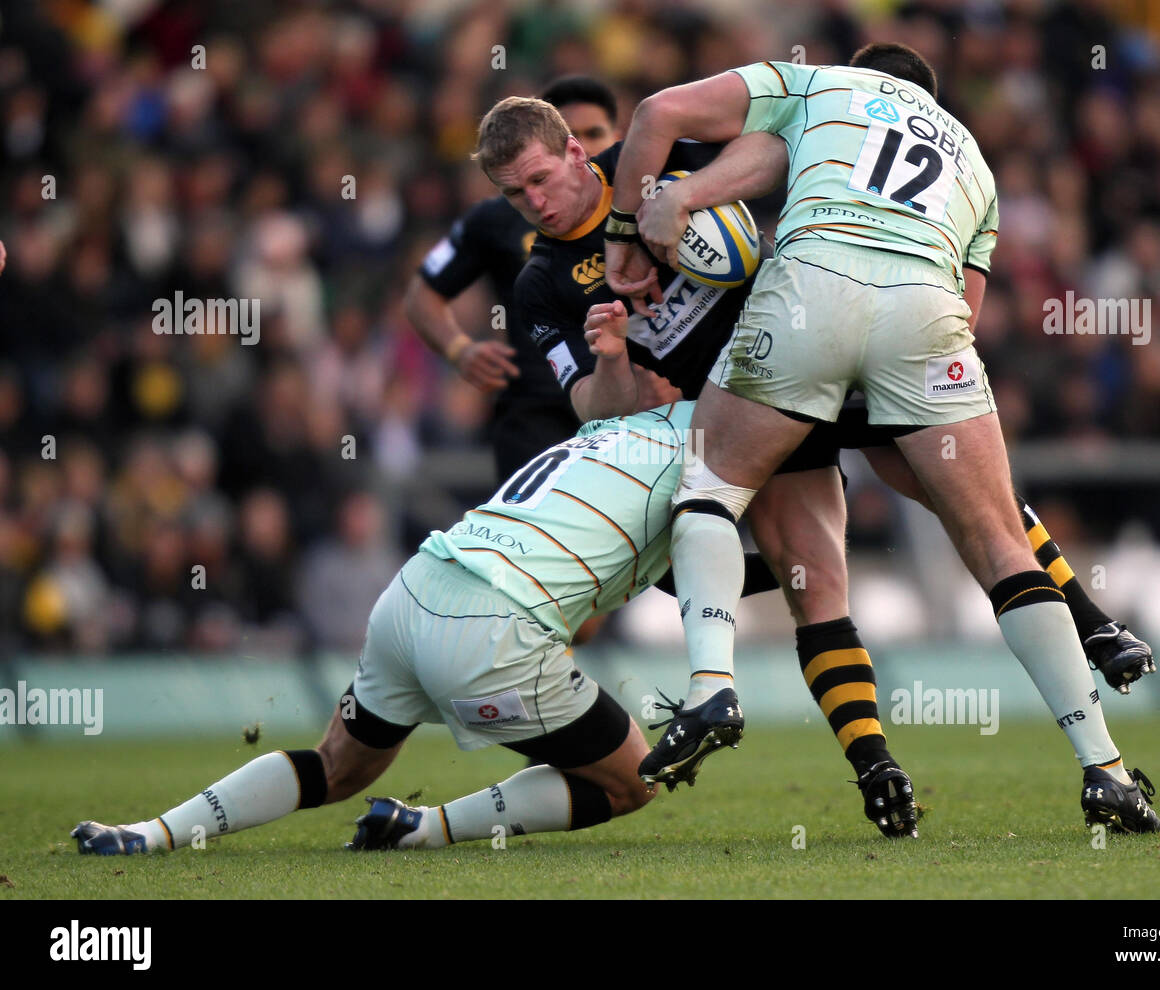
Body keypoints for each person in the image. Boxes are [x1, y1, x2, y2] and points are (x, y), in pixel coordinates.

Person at [604, 44, 1160, 833]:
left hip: (811, 288)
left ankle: (710, 688)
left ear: (867, 72)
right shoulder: (976, 163)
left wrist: (636, 221)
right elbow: (967, 310)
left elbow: (659, 112)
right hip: (926, 312)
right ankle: (1104, 769)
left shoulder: (821, 85)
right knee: (997, 537)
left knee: (712, 486)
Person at [476, 96, 916, 833]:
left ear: (579, 153)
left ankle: (1074, 619)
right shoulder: (542, 285)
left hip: (801, 354)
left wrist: (689, 197)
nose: (535, 204)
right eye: (515, 195)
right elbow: (596, 408)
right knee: (811, 584)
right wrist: (613, 353)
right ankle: (876, 766)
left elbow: (772, 151)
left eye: (540, 179)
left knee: (941, 481)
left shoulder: (653, 165)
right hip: (713, 432)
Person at [71, 400, 783, 856]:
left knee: (337, 765)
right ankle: (426, 829)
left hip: (415, 589)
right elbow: (702, 553)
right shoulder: (706, 455)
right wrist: (803, 565)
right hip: (495, 631)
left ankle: (151, 833)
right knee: (634, 780)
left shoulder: (609, 436)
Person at [404, 76, 621, 484]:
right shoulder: (493, 221)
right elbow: (423, 293)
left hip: (629, 403)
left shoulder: (633, 189)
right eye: (519, 189)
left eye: (595, 133)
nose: (534, 198)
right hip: (538, 409)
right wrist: (458, 349)